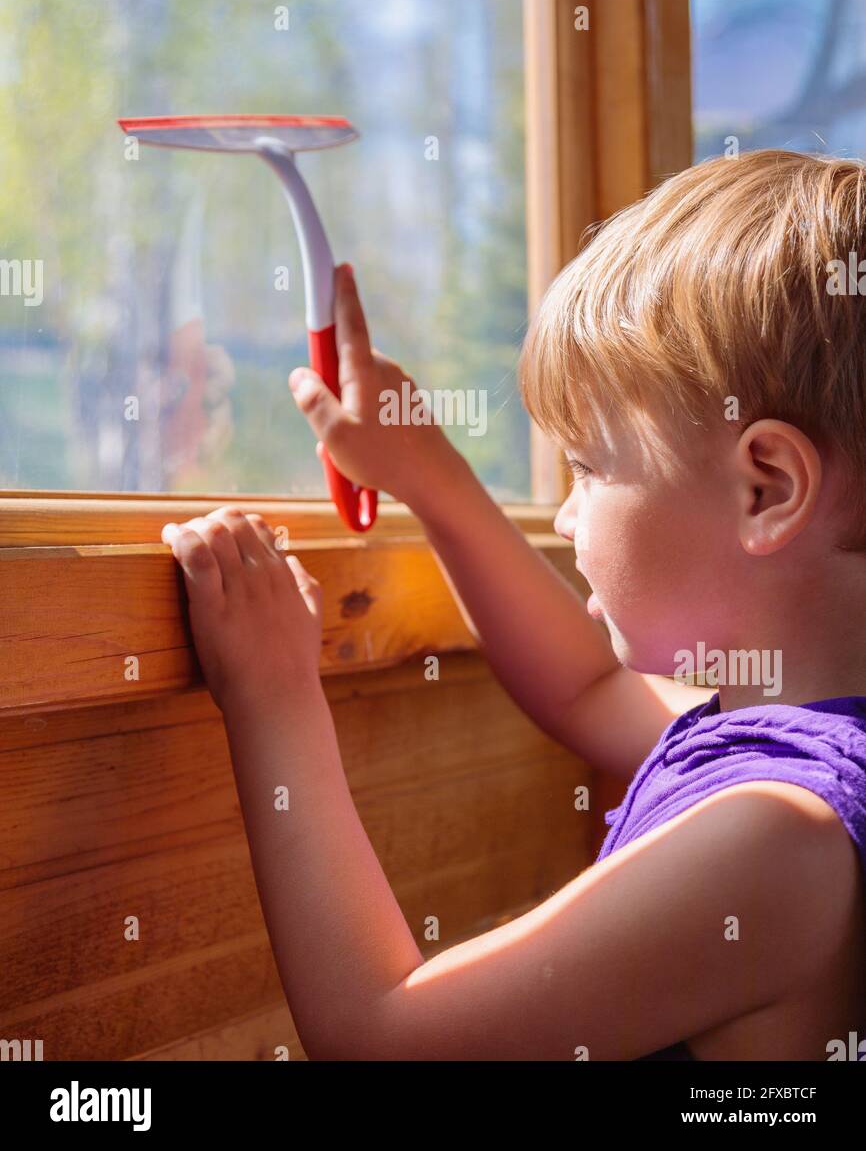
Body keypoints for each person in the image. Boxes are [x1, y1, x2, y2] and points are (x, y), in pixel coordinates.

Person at [161, 149, 866, 1061]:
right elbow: (581, 686)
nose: (567, 516)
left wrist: (273, 694)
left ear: (766, 489)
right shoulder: (785, 734)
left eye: (588, 465)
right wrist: (428, 475)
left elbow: (380, 1037)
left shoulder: (777, 842)